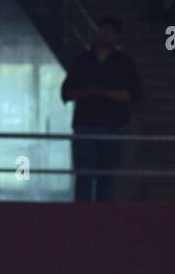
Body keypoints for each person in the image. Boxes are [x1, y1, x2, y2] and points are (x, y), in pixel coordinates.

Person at [61, 16, 143, 202]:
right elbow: (67, 92)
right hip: (85, 125)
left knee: (106, 177)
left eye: (109, 31)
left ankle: (102, 217)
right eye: (102, 30)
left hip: (113, 126)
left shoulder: (124, 63)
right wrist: (87, 93)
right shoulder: (83, 61)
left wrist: (103, 93)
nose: (105, 34)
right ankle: (82, 217)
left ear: (117, 36)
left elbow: (134, 94)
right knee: (84, 176)